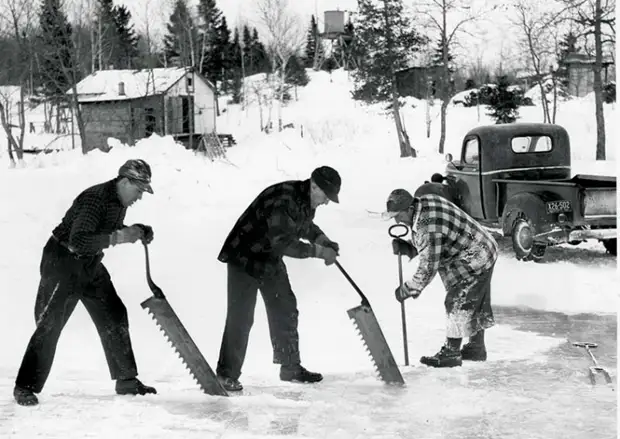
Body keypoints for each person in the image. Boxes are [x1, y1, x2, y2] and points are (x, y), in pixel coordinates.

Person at [13, 159, 158, 406]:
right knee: (51, 324)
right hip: (62, 261)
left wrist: (135, 230)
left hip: (88, 264)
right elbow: (78, 240)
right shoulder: (95, 199)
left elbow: (104, 232)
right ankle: (24, 387)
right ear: (124, 182)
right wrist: (119, 237)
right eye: (138, 190)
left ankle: (126, 379)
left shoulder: (118, 201)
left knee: (113, 312)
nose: (139, 197)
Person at [216, 166, 342, 391]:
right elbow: (283, 243)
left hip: (268, 257)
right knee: (241, 317)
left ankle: (290, 367)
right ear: (314, 186)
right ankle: (226, 375)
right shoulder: (284, 199)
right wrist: (319, 252)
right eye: (325, 196)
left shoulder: (304, 199)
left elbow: (304, 225)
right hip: (245, 256)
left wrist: (323, 240)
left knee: (285, 307)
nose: (326, 203)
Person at [384, 186, 498, 368]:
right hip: (481, 246)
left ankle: (451, 353)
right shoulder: (424, 202)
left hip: (474, 256)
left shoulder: (427, 227)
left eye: (398, 215)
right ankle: (476, 347)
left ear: (410, 209)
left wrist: (409, 288)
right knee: (475, 300)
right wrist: (411, 247)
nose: (396, 219)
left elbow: (428, 267)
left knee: (457, 300)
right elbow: (437, 238)